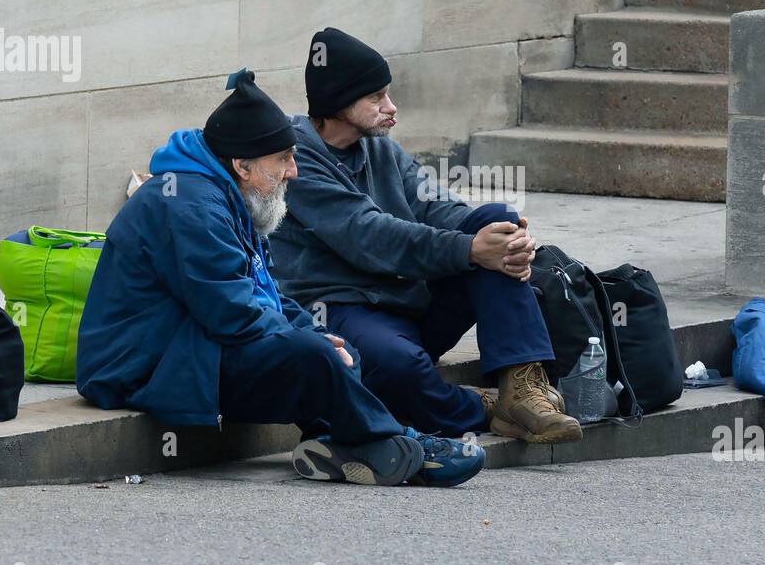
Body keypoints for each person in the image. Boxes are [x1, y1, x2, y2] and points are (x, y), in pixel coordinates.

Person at [76, 70, 484, 487]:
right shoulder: (190, 206)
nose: (293, 172)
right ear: (243, 164)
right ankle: (399, 448)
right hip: (137, 366)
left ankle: (338, 444)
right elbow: (230, 311)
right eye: (284, 159)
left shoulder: (226, 193)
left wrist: (314, 332)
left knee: (337, 349)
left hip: (186, 344)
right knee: (311, 354)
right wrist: (311, 342)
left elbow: (267, 291)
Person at [270, 28, 582, 445]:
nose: (391, 107)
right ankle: (486, 408)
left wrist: (500, 240)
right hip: (343, 310)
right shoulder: (297, 159)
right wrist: (471, 250)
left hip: (405, 303)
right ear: (339, 102)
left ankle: (524, 385)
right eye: (377, 97)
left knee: (494, 217)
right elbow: (369, 235)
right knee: (398, 368)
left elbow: (438, 207)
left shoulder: (381, 148)